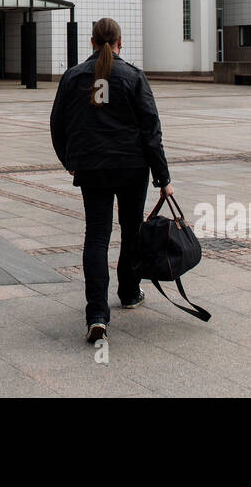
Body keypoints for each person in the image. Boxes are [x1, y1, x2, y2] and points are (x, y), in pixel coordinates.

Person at [50, 17, 172, 344]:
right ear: (120, 43)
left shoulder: (73, 77)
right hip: (132, 168)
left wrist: (70, 162)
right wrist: (163, 178)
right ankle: (130, 292)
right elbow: (151, 132)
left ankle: (97, 314)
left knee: (98, 235)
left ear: (91, 43)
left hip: (92, 168)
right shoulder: (133, 76)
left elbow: (57, 126)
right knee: (131, 230)